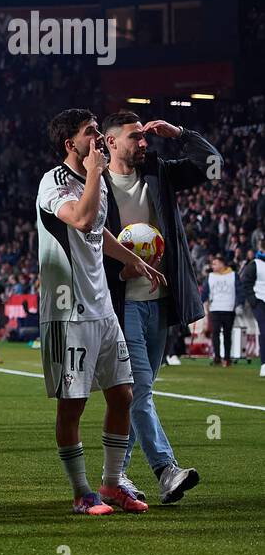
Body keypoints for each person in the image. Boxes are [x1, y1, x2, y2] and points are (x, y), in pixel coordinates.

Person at [36, 109, 163, 516]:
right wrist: (94, 173)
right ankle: (80, 492)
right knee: (72, 404)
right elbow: (81, 217)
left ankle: (111, 484)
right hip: (67, 310)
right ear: (70, 144)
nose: (98, 138)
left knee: (123, 394)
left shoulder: (96, 181)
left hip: (102, 306)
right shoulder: (54, 182)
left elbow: (99, 229)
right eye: (90, 133)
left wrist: (134, 258)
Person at [100, 111, 211, 503]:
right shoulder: (93, 187)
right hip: (123, 302)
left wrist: (180, 133)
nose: (144, 143)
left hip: (161, 303)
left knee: (137, 392)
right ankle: (166, 470)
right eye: (135, 137)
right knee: (137, 390)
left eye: (145, 138)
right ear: (111, 143)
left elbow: (211, 166)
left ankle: (115, 476)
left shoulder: (159, 174)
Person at [203, 255, 237, 367]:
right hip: (215, 308)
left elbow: (239, 290)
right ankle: (217, 357)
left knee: (227, 334)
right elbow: (205, 292)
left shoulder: (233, 275)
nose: (213, 266)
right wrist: (199, 303)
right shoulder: (210, 276)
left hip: (229, 308)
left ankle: (227, 358)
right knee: (215, 334)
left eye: (215, 263)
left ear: (222, 264)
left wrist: (239, 304)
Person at [240, 249, 265, 366]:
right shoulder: (255, 265)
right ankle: (264, 363)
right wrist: (253, 301)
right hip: (260, 301)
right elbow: (246, 283)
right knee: (264, 331)